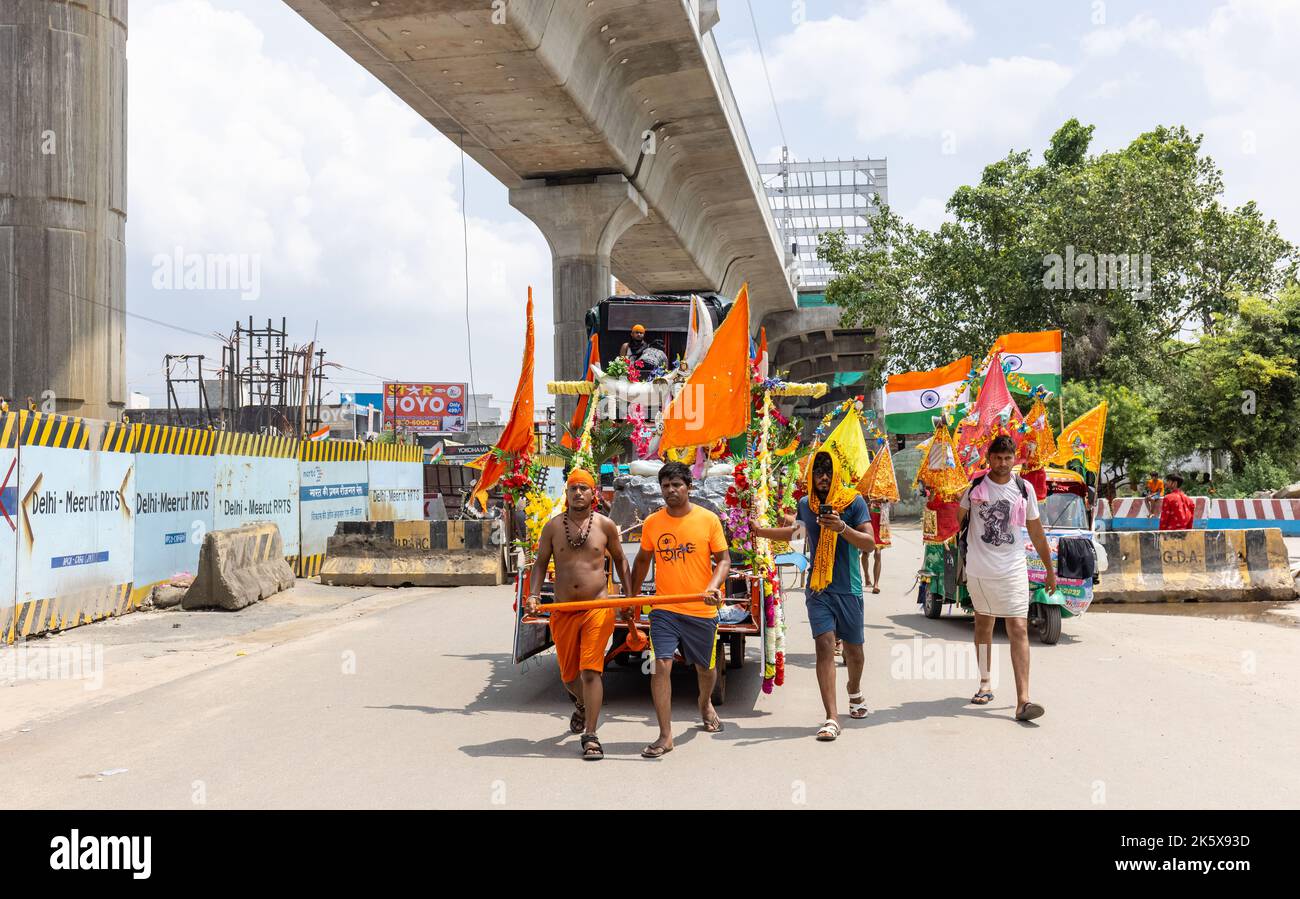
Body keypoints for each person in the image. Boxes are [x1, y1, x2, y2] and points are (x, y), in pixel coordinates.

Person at [752, 451, 876, 741]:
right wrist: (761, 532)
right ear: (811, 476)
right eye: (818, 471)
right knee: (824, 645)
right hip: (818, 588)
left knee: (854, 651)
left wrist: (842, 527)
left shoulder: (853, 501)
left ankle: (853, 689)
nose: (823, 476)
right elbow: (796, 534)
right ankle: (832, 717)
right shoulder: (806, 505)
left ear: (836, 474)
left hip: (848, 588)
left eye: (827, 471)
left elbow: (870, 543)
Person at [525, 468, 632, 761]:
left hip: (597, 607)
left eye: (584, 488)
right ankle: (584, 706)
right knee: (569, 676)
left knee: (590, 672)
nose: (578, 493)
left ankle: (591, 734)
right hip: (563, 610)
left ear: (593, 493)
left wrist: (628, 596)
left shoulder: (606, 525)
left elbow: (622, 562)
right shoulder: (552, 528)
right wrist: (533, 594)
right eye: (573, 489)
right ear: (568, 493)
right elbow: (538, 564)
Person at [629, 461, 730, 758]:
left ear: (689, 487)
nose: (671, 491)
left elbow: (723, 560)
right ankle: (665, 735)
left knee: (706, 669)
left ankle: (704, 703)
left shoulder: (708, 520)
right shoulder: (653, 523)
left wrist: (713, 587)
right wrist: (631, 600)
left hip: (701, 609)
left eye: (677, 485)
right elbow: (642, 562)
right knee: (661, 665)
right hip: (665, 609)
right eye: (665, 486)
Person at [960, 435, 1056, 722]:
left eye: (1008, 458)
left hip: (1013, 568)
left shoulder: (1024, 489)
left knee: (1018, 628)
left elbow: (1036, 532)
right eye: (998, 458)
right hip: (980, 569)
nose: (1003, 463)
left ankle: (1023, 700)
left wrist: (1050, 570)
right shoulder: (976, 487)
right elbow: (958, 520)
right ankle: (985, 682)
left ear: (1015, 459)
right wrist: (960, 500)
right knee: (983, 625)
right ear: (989, 459)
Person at [862, 499, 890, 595]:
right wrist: (870, 500)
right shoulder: (868, 486)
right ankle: (866, 576)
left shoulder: (887, 486)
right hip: (868, 520)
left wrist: (885, 500)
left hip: (881, 521)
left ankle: (876, 584)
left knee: (878, 553)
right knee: (865, 552)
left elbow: (892, 499)